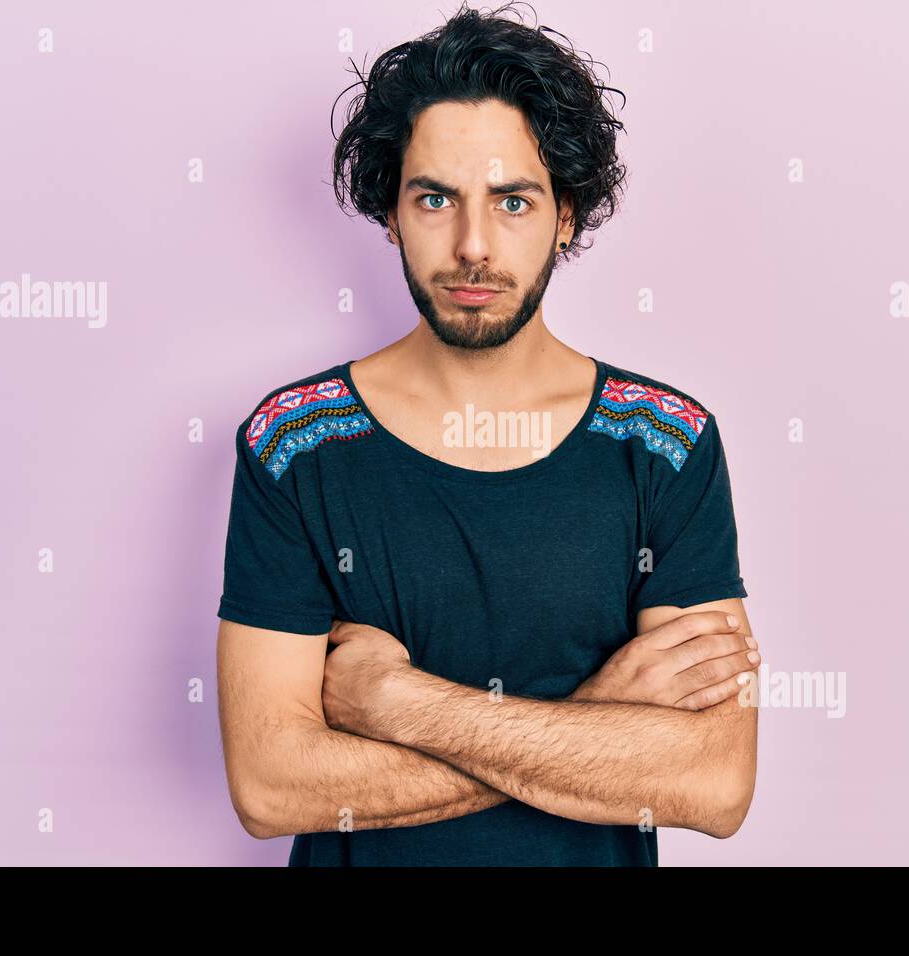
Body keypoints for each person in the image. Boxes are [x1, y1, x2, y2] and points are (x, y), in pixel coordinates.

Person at [215, 1, 759, 866]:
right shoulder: (295, 444)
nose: (473, 246)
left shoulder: (666, 442)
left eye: (513, 200)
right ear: (390, 212)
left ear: (566, 215)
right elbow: (272, 786)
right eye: (436, 198)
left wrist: (394, 701)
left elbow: (714, 782)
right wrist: (596, 717)